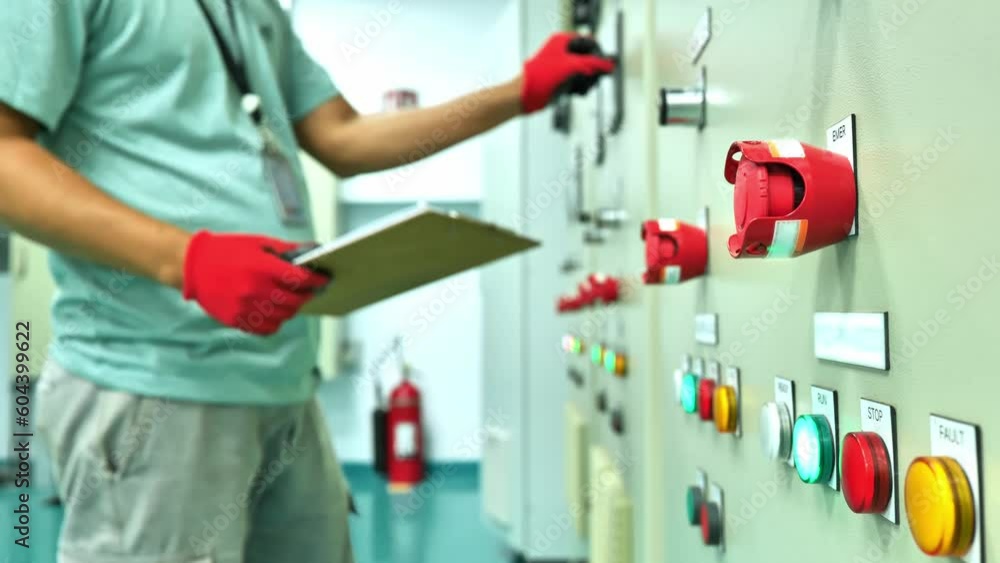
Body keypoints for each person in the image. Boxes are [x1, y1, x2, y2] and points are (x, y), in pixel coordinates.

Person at [0, 2, 613, 563]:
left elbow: (341, 136)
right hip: (150, 383)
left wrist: (518, 94)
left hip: (281, 383)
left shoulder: (251, 7)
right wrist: (188, 260)